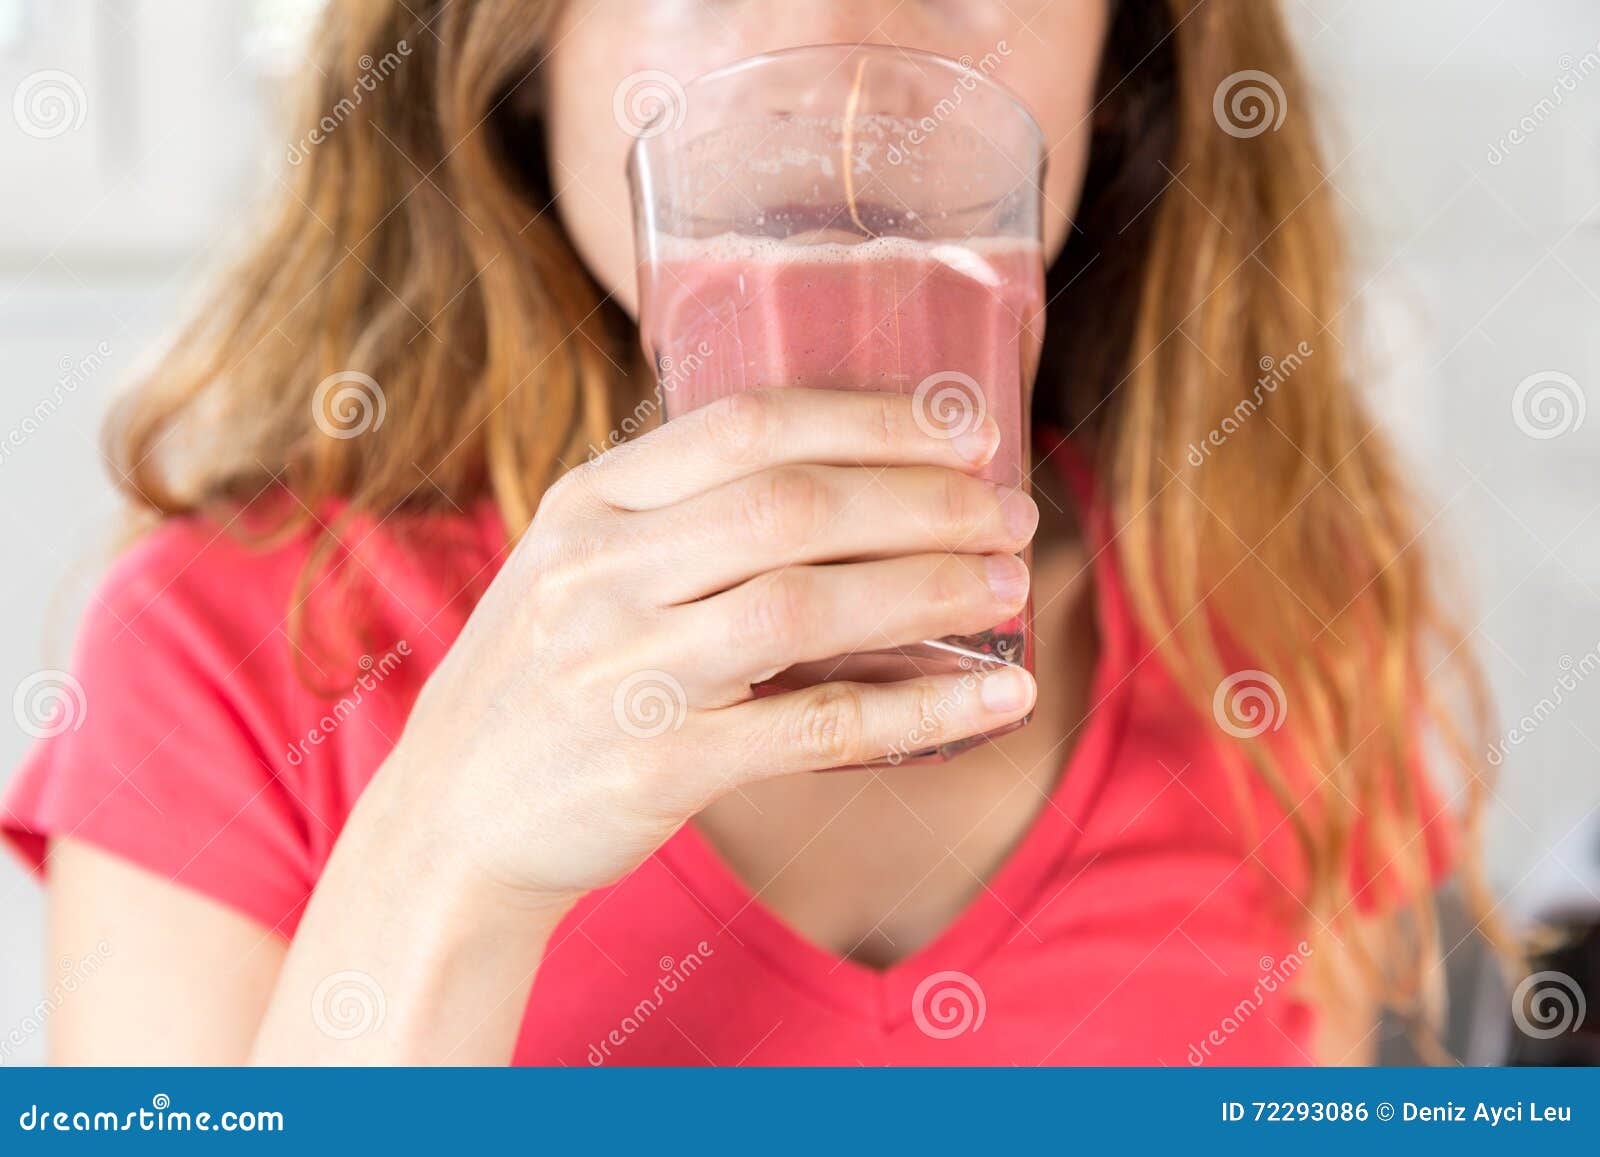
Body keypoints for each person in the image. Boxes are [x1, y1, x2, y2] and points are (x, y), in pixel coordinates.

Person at [4, 0, 1497, 1065]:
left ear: (1123, 69)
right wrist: (453, 850)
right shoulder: (217, 653)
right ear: (518, 54)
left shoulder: (1282, 614)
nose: (843, 73)